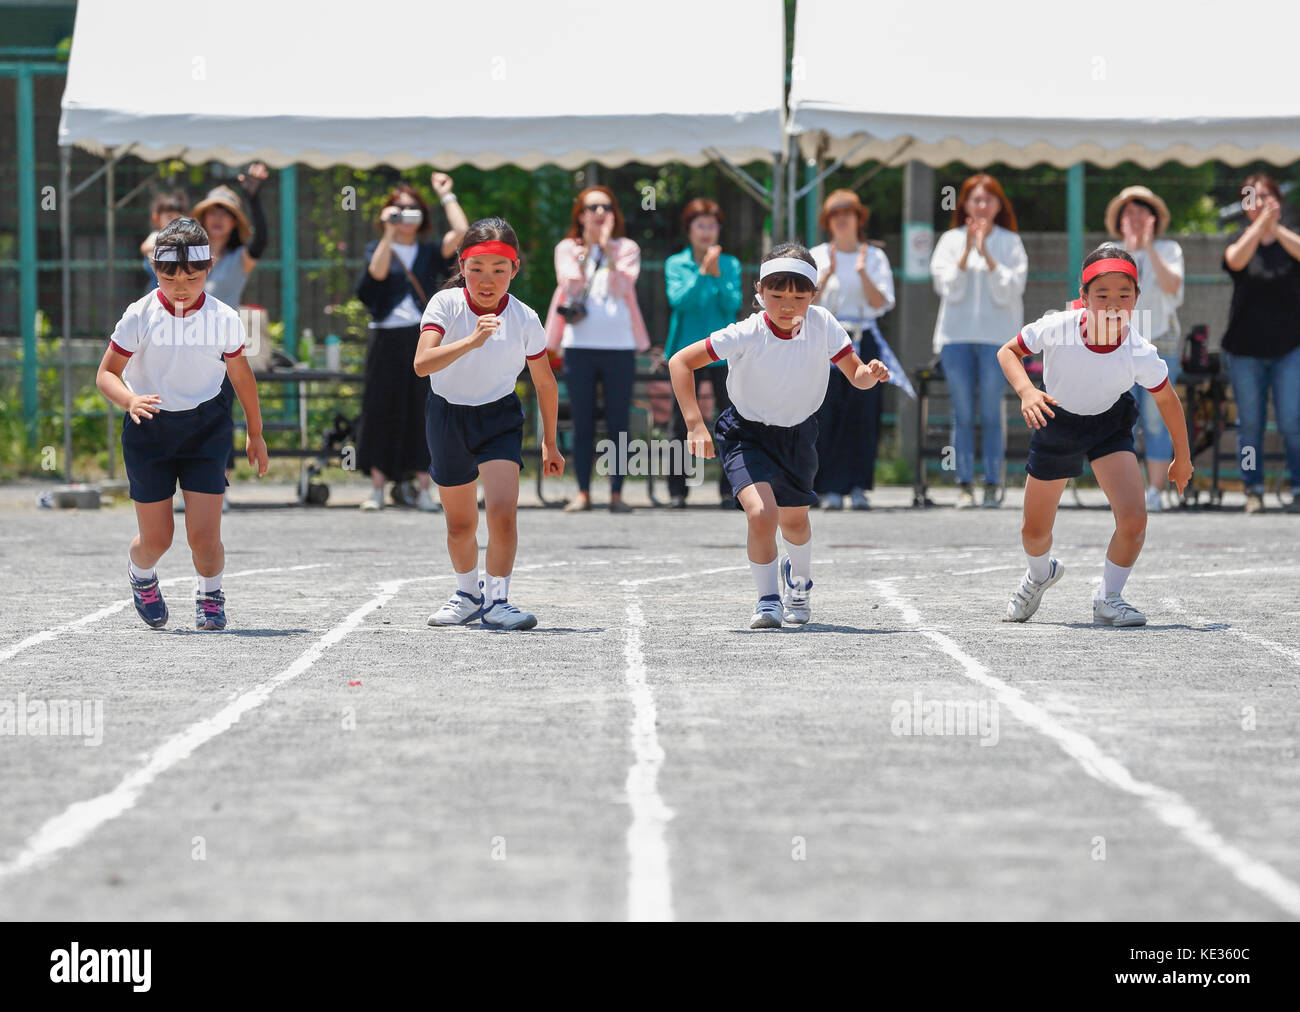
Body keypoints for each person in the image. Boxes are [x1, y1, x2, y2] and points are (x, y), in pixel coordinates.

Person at [670, 242, 889, 629]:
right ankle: (767, 599)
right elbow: (680, 362)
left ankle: (799, 583)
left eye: (799, 297)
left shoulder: (823, 324)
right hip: (745, 434)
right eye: (777, 296)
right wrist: (694, 424)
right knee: (761, 514)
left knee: (795, 522)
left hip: (798, 435)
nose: (787, 306)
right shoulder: (747, 332)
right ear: (759, 291)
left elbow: (856, 375)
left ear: (814, 294)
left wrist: (870, 375)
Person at [996, 245, 1193, 628]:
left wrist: (1182, 457)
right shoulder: (1058, 326)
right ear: (1083, 297)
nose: (1113, 304)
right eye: (1102, 295)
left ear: (1136, 298)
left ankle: (1109, 598)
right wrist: (1027, 391)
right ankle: (1039, 575)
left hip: (1109, 425)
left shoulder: (1139, 350)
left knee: (1134, 520)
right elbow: (1008, 352)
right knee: (1034, 532)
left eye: (1124, 295)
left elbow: (1168, 400)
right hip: (1057, 420)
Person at [94, 218, 270, 631]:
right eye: (169, 276)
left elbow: (241, 376)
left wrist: (255, 433)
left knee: (204, 538)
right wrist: (130, 399)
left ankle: (210, 596)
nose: (181, 286)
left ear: (209, 269)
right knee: (157, 539)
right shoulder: (139, 315)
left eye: (192, 276)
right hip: (148, 429)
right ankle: (141, 574)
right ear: (154, 269)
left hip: (206, 429)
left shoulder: (223, 317)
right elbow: (106, 374)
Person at [415, 218, 563, 631]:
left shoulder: (525, 317)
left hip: (499, 417)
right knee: (461, 524)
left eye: (499, 269)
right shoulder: (445, 305)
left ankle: (498, 601)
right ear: (462, 266)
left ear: (514, 270)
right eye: (477, 268)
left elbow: (545, 383)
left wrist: (551, 442)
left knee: (502, 513)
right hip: (447, 416)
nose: (487, 279)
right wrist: (472, 340)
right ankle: (467, 594)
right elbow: (422, 364)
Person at [355, 174, 469, 512]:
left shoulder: (430, 250)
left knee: (424, 409)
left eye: (412, 208)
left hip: (423, 337)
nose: (405, 214)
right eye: (399, 208)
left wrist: (446, 195)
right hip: (385, 338)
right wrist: (388, 230)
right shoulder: (378, 247)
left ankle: (424, 489)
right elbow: (377, 273)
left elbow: (462, 233)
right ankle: (377, 488)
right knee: (380, 408)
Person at [544, 186, 651, 513]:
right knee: (583, 422)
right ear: (580, 215)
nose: (600, 213)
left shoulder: (627, 248)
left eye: (606, 207)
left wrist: (606, 248)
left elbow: (623, 286)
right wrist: (587, 252)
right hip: (579, 346)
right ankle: (583, 492)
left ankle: (617, 493)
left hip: (619, 346)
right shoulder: (567, 248)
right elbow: (570, 285)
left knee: (619, 421)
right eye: (592, 208)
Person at [931, 173, 1029, 508]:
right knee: (961, 412)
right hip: (955, 338)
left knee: (991, 412)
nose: (982, 205)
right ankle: (963, 484)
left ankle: (991, 482)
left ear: (999, 205)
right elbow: (946, 287)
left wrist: (986, 252)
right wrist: (967, 251)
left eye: (989, 199)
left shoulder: (1010, 242)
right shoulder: (950, 240)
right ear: (965, 204)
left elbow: (1012, 289)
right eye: (976, 199)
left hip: (997, 340)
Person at [187, 164, 271, 513]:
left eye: (226, 213)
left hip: (223, 351)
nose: (218, 219)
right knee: (184, 415)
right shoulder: (189, 256)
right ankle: (186, 486)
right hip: (184, 347)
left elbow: (262, 241)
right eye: (212, 212)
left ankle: (218, 485)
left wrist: (254, 197)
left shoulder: (239, 259)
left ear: (235, 222)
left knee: (218, 417)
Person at [810, 189, 895, 510]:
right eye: (835, 214)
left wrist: (861, 272)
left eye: (848, 213)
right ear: (827, 221)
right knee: (825, 411)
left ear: (859, 218)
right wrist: (827, 273)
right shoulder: (817, 255)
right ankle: (828, 487)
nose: (842, 219)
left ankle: (859, 485)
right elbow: (804, 301)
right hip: (826, 338)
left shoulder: (874, 257)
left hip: (863, 335)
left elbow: (881, 302)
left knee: (863, 411)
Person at [1222, 173, 1300, 514]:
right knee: (1249, 425)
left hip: (1290, 349)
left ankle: (1298, 486)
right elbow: (1235, 260)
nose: (1261, 203)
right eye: (1252, 198)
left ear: (1279, 202)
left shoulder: (1290, 238)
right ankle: (1252, 487)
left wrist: (1274, 227)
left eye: (1267, 196)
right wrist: (1258, 226)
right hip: (1244, 350)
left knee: (1291, 422)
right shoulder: (1240, 238)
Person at [1104, 185, 1186, 512]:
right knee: (1122, 420)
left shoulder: (1169, 249)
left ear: (1154, 218)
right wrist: (1128, 250)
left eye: (1142, 212)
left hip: (1160, 341)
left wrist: (1148, 247)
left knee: (1156, 418)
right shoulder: (1109, 251)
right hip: (1117, 344)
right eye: (1129, 213)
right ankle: (1127, 491)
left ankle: (1155, 489)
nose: (1135, 218)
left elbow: (1172, 286)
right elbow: (1103, 291)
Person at [663, 198, 742, 508]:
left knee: (731, 420)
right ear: (689, 229)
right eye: (701, 225)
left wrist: (717, 274)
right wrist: (702, 274)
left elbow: (732, 304)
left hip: (723, 353)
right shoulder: (676, 263)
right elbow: (679, 301)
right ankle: (677, 492)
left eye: (712, 225)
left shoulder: (731, 264)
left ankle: (731, 489)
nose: (707, 231)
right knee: (680, 422)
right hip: (686, 354)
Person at [140, 190, 188, 291]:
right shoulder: (156, 236)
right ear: (156, 218)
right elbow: (144, 247)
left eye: (178, 218)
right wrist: (164, 245)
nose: (174, 222)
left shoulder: (183, 237)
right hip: (156, 286)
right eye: (169, 217)